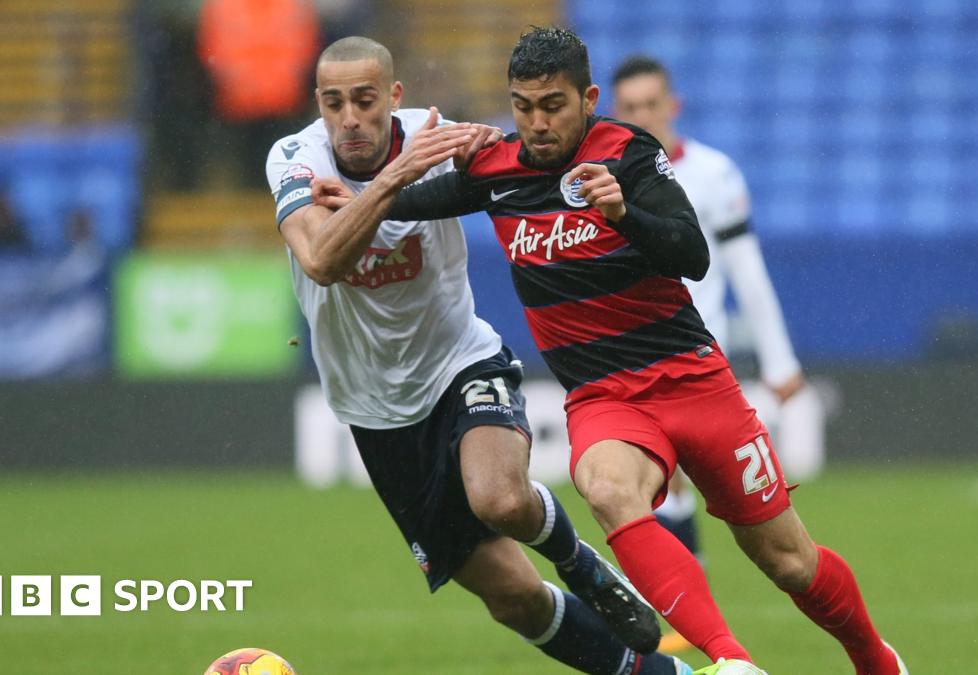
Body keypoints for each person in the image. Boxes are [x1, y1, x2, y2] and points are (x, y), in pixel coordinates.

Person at [312, 27, 906, 675]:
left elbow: (693, 255)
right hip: (605, 395)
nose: (537, 123)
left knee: (788, 559)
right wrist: (357, 200)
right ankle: (731, 660)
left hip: (693, 382)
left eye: (553, 106)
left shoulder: (629, 152)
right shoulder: (495, 170)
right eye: (522, 105)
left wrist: (624, 212)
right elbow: (414, 203)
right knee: (604, 487)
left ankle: (876, 659)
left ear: (588, 98)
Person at [265, 36, 688, 675]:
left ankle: (583, 565)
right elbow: (321, 261)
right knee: (513, 598)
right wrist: (392, 181)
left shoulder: (438, 140)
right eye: (334, 103)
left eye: (364, 100)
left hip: (459, 363)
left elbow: (535, 160)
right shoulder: (294, 159)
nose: (350, 118)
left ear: (393, 97)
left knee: (501, 499)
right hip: (376, 414)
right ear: (318, 105)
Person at [608, 55, 826, 654]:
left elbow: (746, 272)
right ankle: (683, 618)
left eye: (652, 104)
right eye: (630, 108)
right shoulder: (598, 177)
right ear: (615, 111)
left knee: (682, 486)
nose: (642, 116)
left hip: (694, 351)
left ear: (672, 107)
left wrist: (779, 361)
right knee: (658, 485)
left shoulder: (714, 174)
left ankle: (680, 620)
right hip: (624, 352)